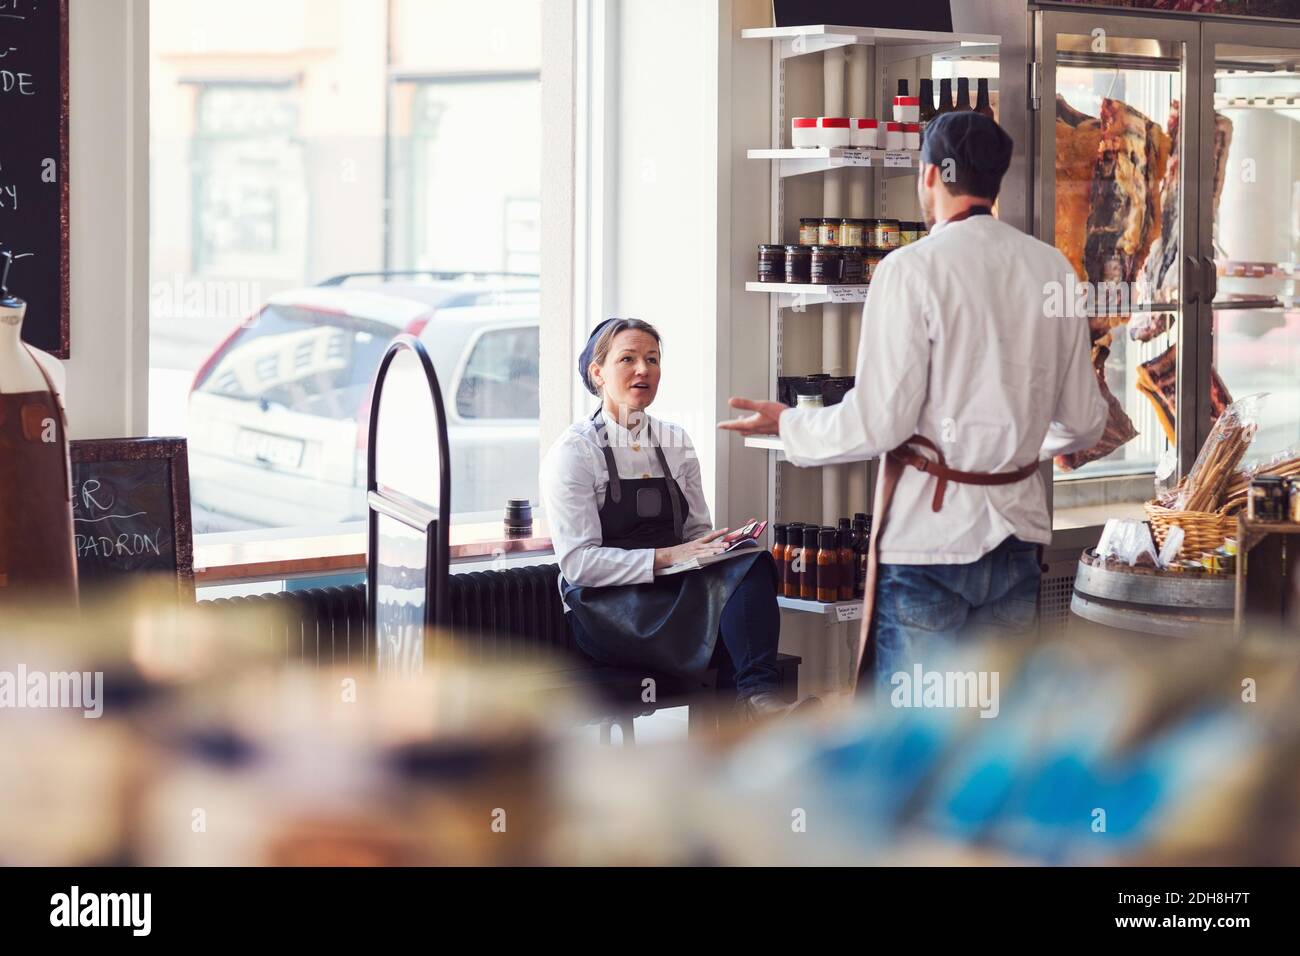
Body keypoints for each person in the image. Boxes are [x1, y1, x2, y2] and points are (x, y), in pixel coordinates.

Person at [721, 111, 1107, 692]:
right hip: (1018, 537)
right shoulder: (1050, 267)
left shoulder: (910, 269)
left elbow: (879, 423)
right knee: (992, 734)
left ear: (929, 177)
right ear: (996, 180)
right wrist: (1009, 444)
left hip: (931, 542)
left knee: (917, 739)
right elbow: (1083, 422)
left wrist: (794, 425)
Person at [541, 317, 809, 720]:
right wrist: (667, 557)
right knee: (739, 632)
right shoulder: (576, 452)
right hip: (608, 610)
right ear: (598, 373)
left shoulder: (675, 441)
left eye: (652, 359)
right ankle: (746, 731)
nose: (643, 369)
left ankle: (758, 701)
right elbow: (579, 565)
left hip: (674, 595)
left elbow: (697, 533)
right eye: (627, 359)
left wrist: (719, 545)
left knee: (752, 561)